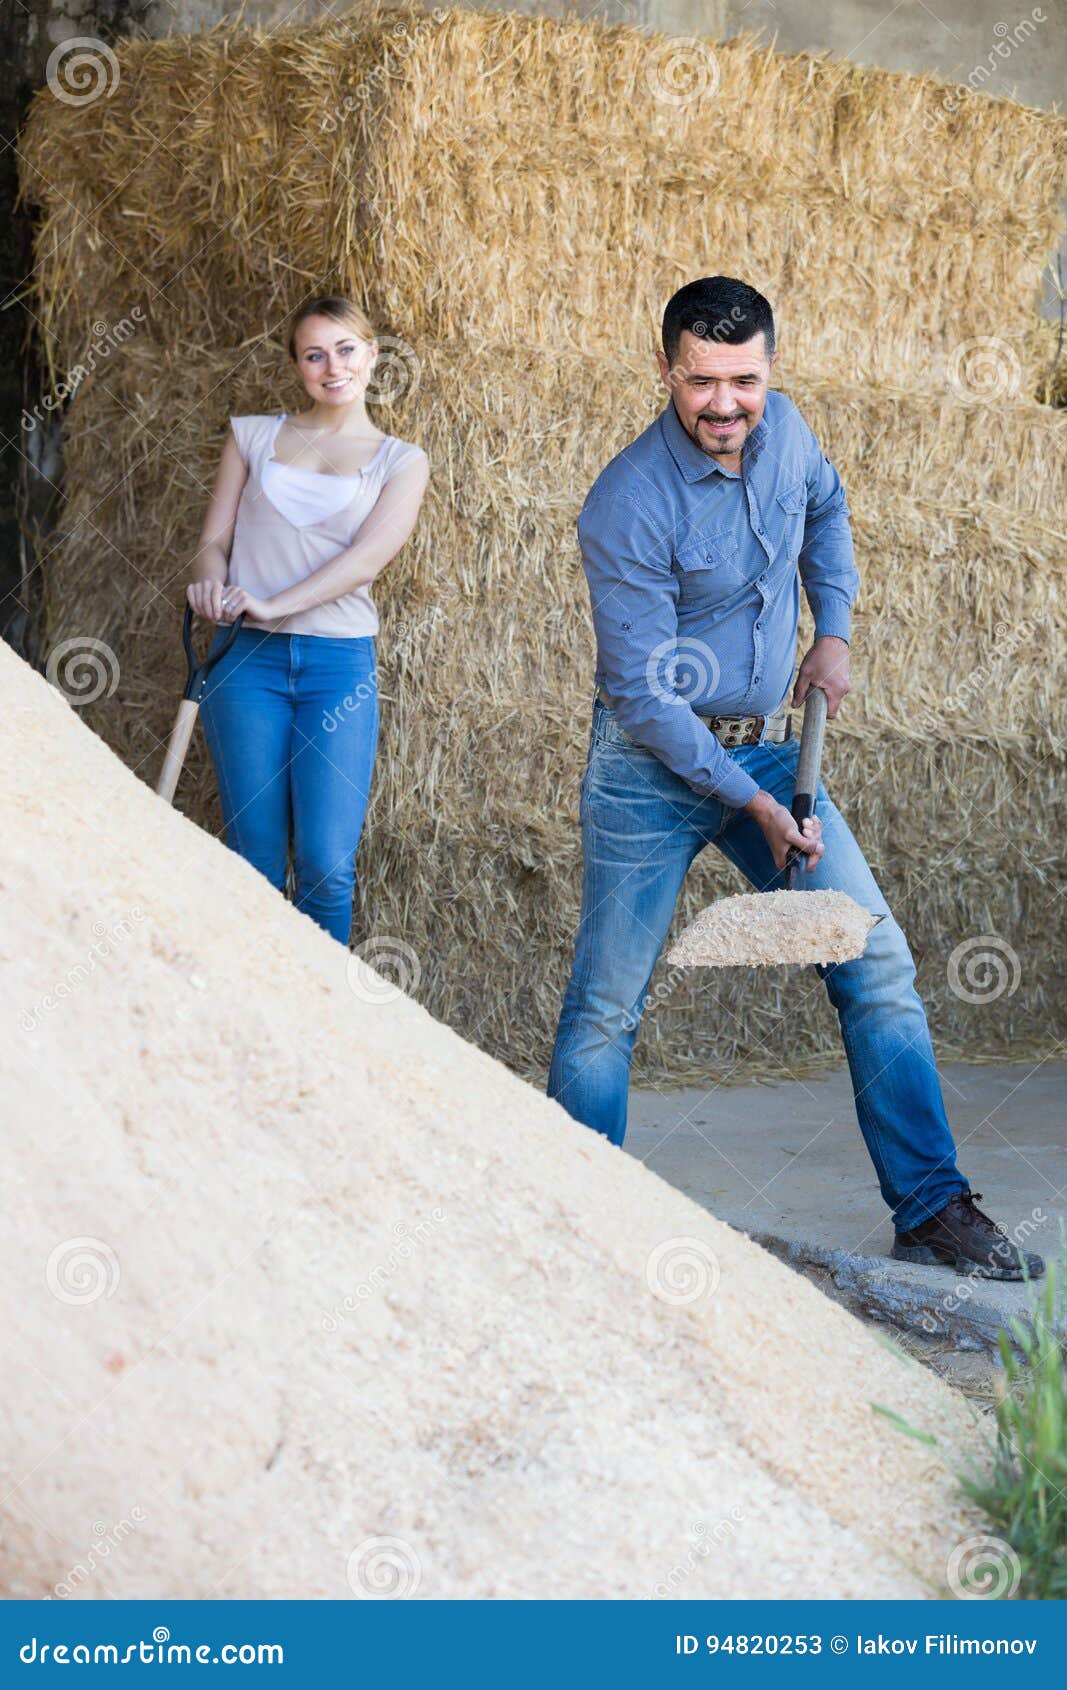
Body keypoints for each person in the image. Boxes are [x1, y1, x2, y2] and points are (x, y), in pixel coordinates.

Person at [548, 275, 1042, 1282]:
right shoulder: (626, 503)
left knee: (875, 965)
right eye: (700, 381)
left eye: (743, 379)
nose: (723, 403)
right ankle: (574, 1230)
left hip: (771, 742)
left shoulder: (788, 436)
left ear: (770, 369)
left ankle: (930, 1208)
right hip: (649, 767)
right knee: (606, 1008)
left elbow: (826, 506)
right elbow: (643, 696)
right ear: (663, 371)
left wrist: (834, 630)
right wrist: (756, 803)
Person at [187, 295, 429, 944]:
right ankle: (251, 994)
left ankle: (321, 1003)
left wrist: (274, 604)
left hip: (336, 665)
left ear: (372, 355)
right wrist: (209, 582)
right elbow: (212, 543)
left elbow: (365, 561)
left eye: (346, 350)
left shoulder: (401, 461)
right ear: (296, 366)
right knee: (255, 860)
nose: (333, 367)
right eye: (314, 355)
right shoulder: (252, 437)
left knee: (325, 864)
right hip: (244, 663)